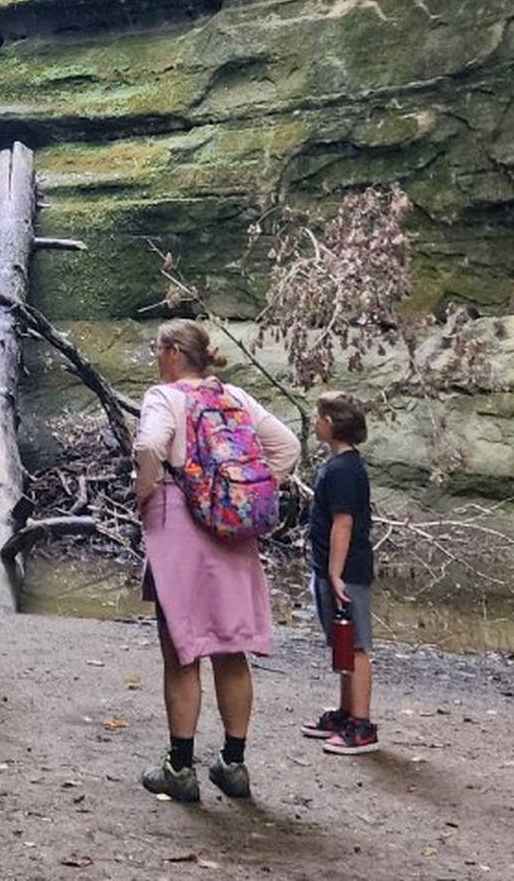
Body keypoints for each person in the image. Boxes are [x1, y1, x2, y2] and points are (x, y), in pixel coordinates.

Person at [134, 319, 300, 803]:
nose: (154, 357)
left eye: (156, 348)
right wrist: (244, 491)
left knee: (182, 652)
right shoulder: (234, 397)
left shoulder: (165, 396)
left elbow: (149, 446)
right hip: (232, 531)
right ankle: (232, 763)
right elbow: (286, 446)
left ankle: (180, 768)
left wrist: (147, 492)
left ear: (170, 350)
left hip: (180, 529)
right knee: (232, 650)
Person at [305, 391, 378, 754]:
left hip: (346, 571)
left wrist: (335, 574)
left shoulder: (344, 471)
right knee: (343, 643)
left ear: (329, 425)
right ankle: (346, 713)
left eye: (318, 417)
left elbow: (343, 524)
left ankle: (362, 725)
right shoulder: (338, 466)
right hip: (329, 568)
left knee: (358, 644)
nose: (315, 422)